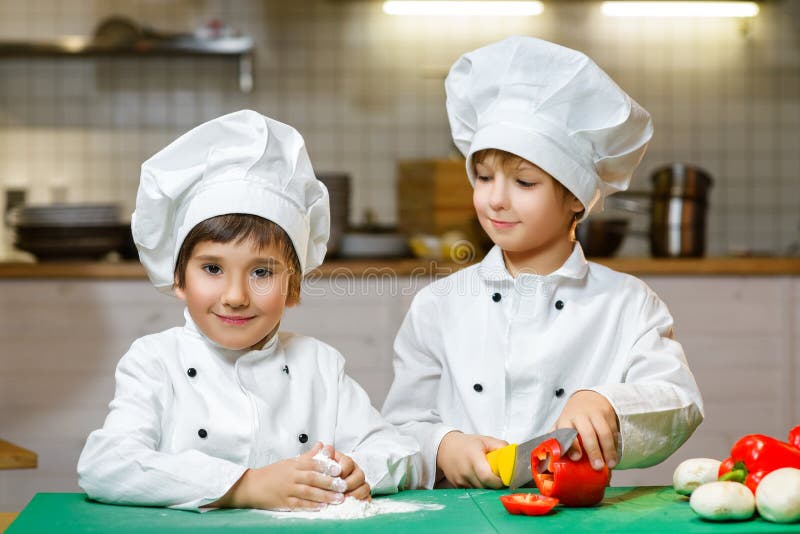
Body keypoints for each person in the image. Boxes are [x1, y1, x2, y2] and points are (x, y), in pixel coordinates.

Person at [381, 36, 703, 489]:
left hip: (575, 511)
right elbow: (399, 426)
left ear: (576, 197)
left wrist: (609, 404)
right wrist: (441, 446)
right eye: (484, 177)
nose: (495, 199)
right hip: (460, 511)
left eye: (524, 182)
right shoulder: (439, 304)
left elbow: (679, 401)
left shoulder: (627, 303)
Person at [78, 110, 419, 511]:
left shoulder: (319, 366)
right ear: (178, 279)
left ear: (293, 287)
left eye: (261, 272)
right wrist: (245, 486)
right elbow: (105, 465)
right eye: (212, 269)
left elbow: (399, 451)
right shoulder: (155, 362)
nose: (236, 296)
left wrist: (359, 469)